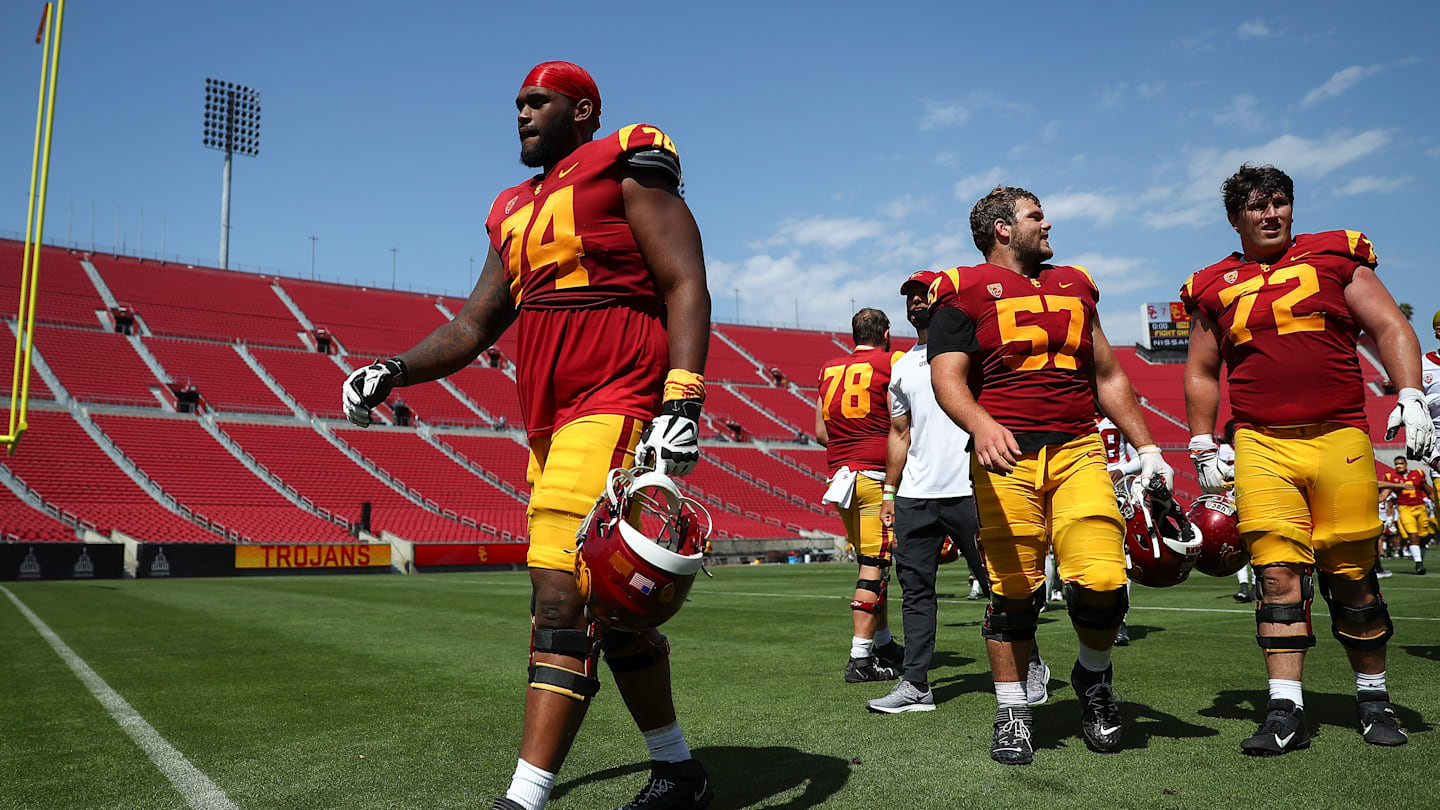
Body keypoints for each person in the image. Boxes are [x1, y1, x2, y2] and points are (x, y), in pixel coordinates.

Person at [341, 62, 714, 810]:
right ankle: (677, 770)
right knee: (605, 602)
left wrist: (684, 395)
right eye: (516, 103)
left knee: (554, 599)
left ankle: (524, 796)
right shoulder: (511, 206)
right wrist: (396, 368)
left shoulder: (621, 164)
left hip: (618, 396)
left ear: (582, 110)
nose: (521, 114)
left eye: (537, 101)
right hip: (548, 418)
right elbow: (475, 323)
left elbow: (684, 280)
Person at [1181, 163, 1434, 756]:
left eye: (1279, 203)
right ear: (1234, 217)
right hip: (1261, 443)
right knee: (1277, 578)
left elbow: (1390, 324)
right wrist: (1199, 440)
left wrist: (1411, 391)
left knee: (1353, 577)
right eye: (1257, 206)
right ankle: (1284, 708)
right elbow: (1199, 368)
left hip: (1339, 434)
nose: (1270, 215)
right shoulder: (1212, 283)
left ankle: (1373, 697)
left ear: (1292, 207)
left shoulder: (1335, 255)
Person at [928, 185, 1173, 765]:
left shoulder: (1075, 284)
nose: (1048, 223)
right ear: (1002, 229)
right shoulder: (961, 289)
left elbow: (1108, 373)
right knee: (1013, 593)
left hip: (1079, 446)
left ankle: (1093, 678)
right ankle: (1013, 709)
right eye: (1036, 216)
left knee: (1104, 580)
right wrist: (982, 424)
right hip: (1006, 455)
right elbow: (948, 377)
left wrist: (1150, 448)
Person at [865, 271, 1052, 714]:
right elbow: (899, 432)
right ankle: (915, 685)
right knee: (915, 590)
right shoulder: (901, 365)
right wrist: (890, 492)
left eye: (923, 294)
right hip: (915, 493)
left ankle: (1031, 666)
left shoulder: (975, 350)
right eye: (909, 297)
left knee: (1000, 585)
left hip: (971, 486)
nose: (915, 303)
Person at [816, 308, 906, 684]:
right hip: (874, 478)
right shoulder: (893, 362)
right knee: (875, 566)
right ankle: (860, 658)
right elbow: (902, 422)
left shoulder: (829, 369)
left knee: (870, 563)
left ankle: (882, 643)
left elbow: (822, 433)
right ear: (886, 333)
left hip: (841, 478)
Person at [1095, 414, 1140, 645]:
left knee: (1121, 557)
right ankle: (1090, 617)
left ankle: (1119, 619)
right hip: (1084, 492)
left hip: (1118, 494)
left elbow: (1142, 457)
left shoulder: (1117, 417)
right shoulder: (1074, 411)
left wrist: (1121, 471)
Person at [1379, 456, 1433, 574]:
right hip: (1405, 509)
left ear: (1406, 464)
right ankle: (1419, 565)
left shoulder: (1418, 474)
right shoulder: (1392, 478)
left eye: (1401, 463)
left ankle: (1420, 561)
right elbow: (1384, 495)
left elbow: (1428, 491)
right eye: (1396, 464)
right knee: (1413, 536)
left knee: (1423, 537)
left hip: (1421, 507)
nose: (1399, 466)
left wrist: (1435, 501)